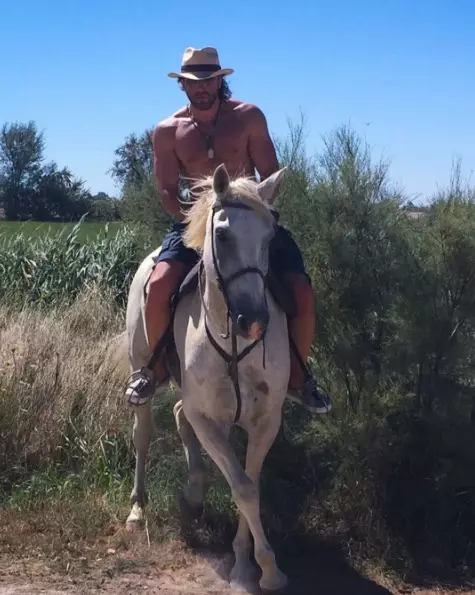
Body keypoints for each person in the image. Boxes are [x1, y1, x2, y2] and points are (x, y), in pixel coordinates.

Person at [125, 46, 332, 414]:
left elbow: (270, 174)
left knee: (300, 289)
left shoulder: (249, 118)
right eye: (193, 82)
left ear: (221, 81)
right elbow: (167, 191)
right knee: (157, 286)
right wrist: (197, 222)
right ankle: (152, 371)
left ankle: (300, 379)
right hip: (197, 224)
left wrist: (251, 208)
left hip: (250, 221)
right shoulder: (167, 131)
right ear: (183, 86)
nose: (201, 88)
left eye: (208, 81)